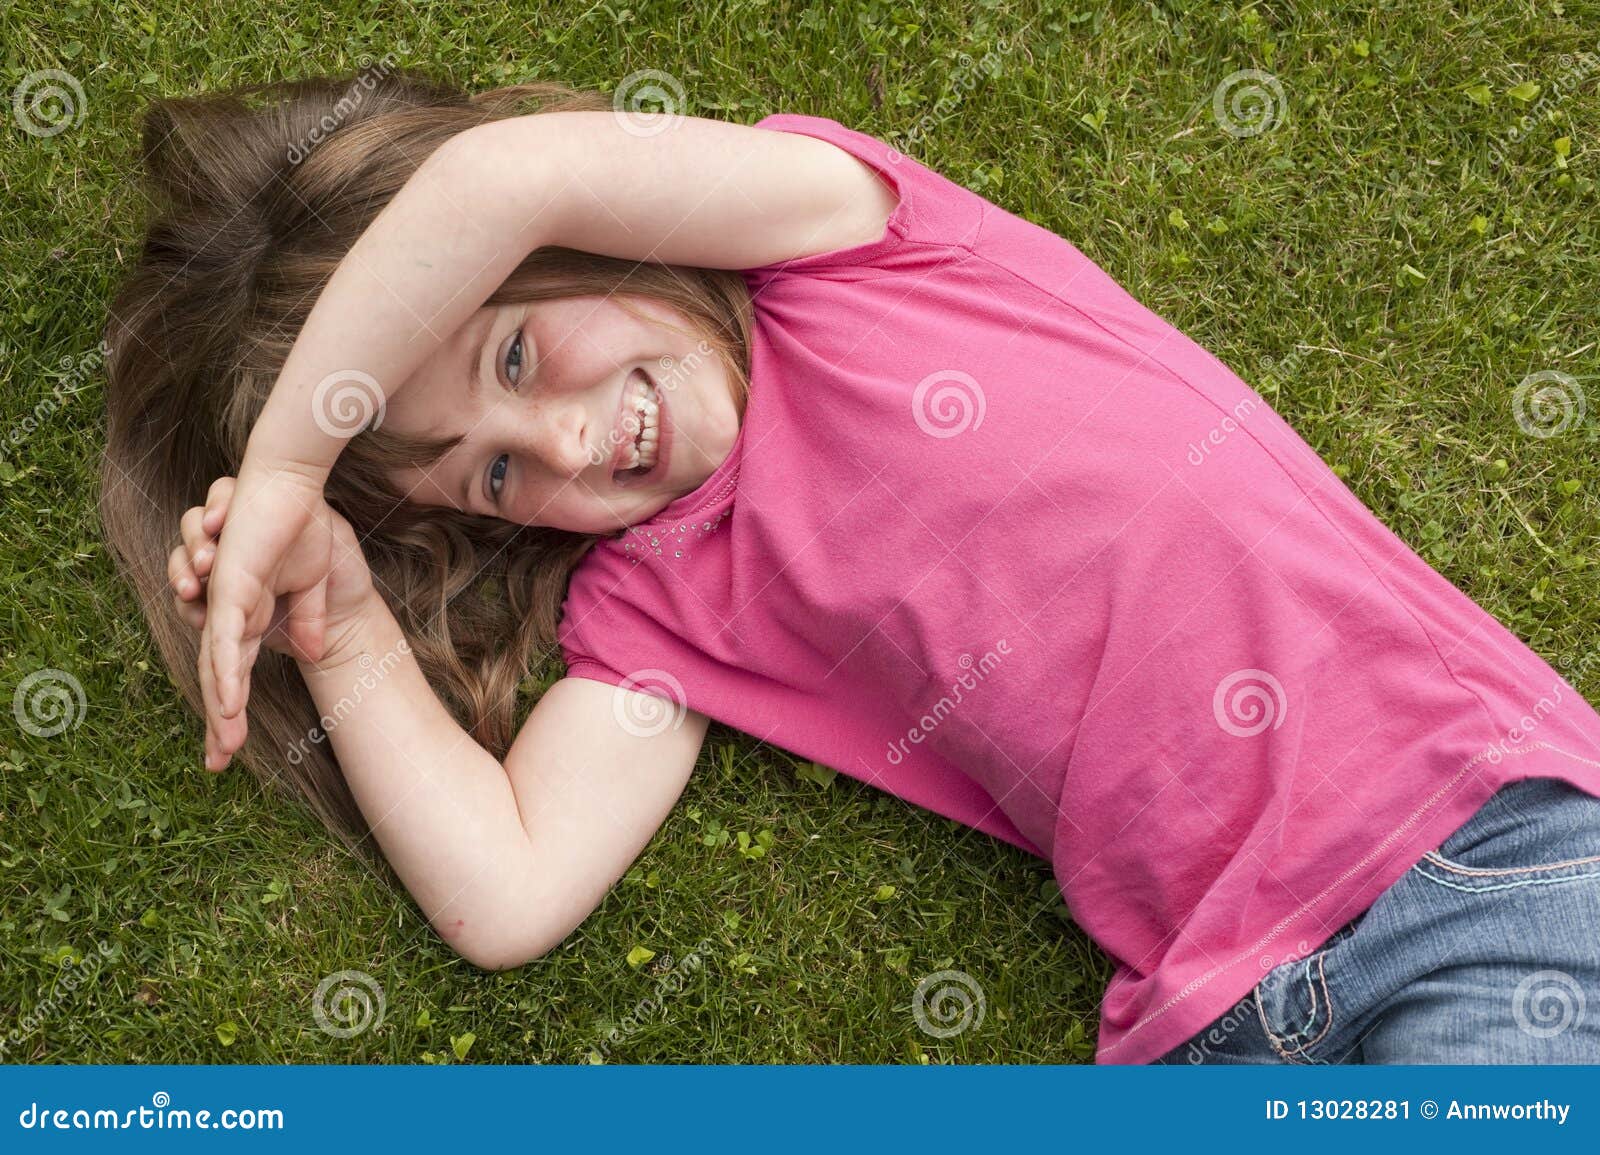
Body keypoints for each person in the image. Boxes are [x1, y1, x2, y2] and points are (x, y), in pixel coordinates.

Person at [101, 71, 1600, 1064]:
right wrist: (342, 614)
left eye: (517, 350)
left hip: (1469, 868)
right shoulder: (657, 605)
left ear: (594, 248)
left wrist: (296, 455)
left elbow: (510, 176)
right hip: (1205, 1021)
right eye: (495, 472)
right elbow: (507, 891)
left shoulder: (842, 241)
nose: (565, 441)